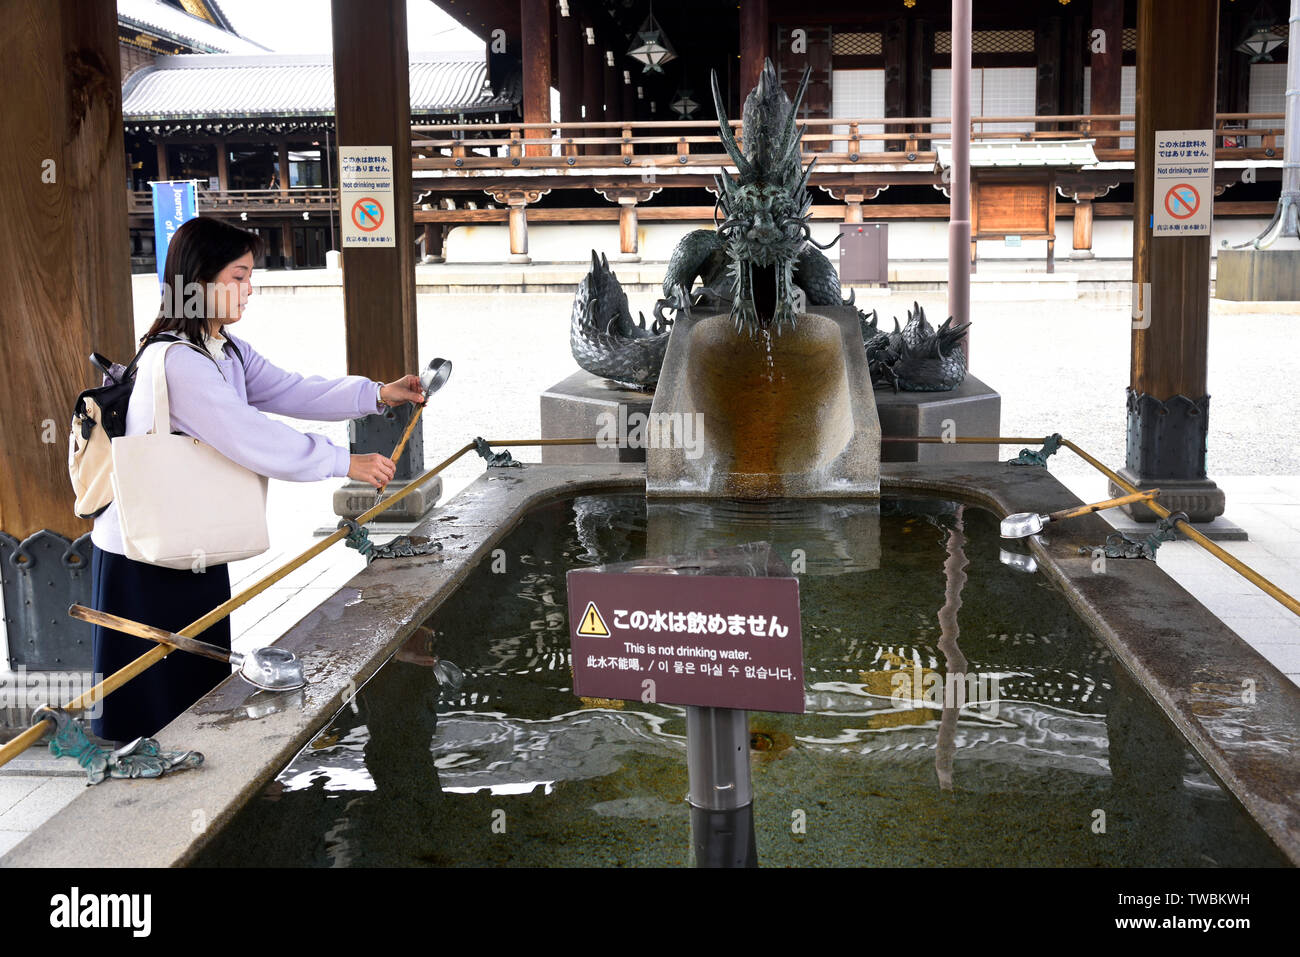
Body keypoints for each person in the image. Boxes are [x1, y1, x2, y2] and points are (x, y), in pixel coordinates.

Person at [89, 216, 427, 743]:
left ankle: (193, 794)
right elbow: (249, 436)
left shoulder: (223, 348)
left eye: (251, 277)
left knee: (193, 686)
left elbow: (292, 391)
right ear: (199, 282)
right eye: (239, 277)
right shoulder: (179, 360)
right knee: (153, 702)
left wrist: (377, 393)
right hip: (144, 558)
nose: (251, 290)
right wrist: (343, 461)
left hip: (189, 543)